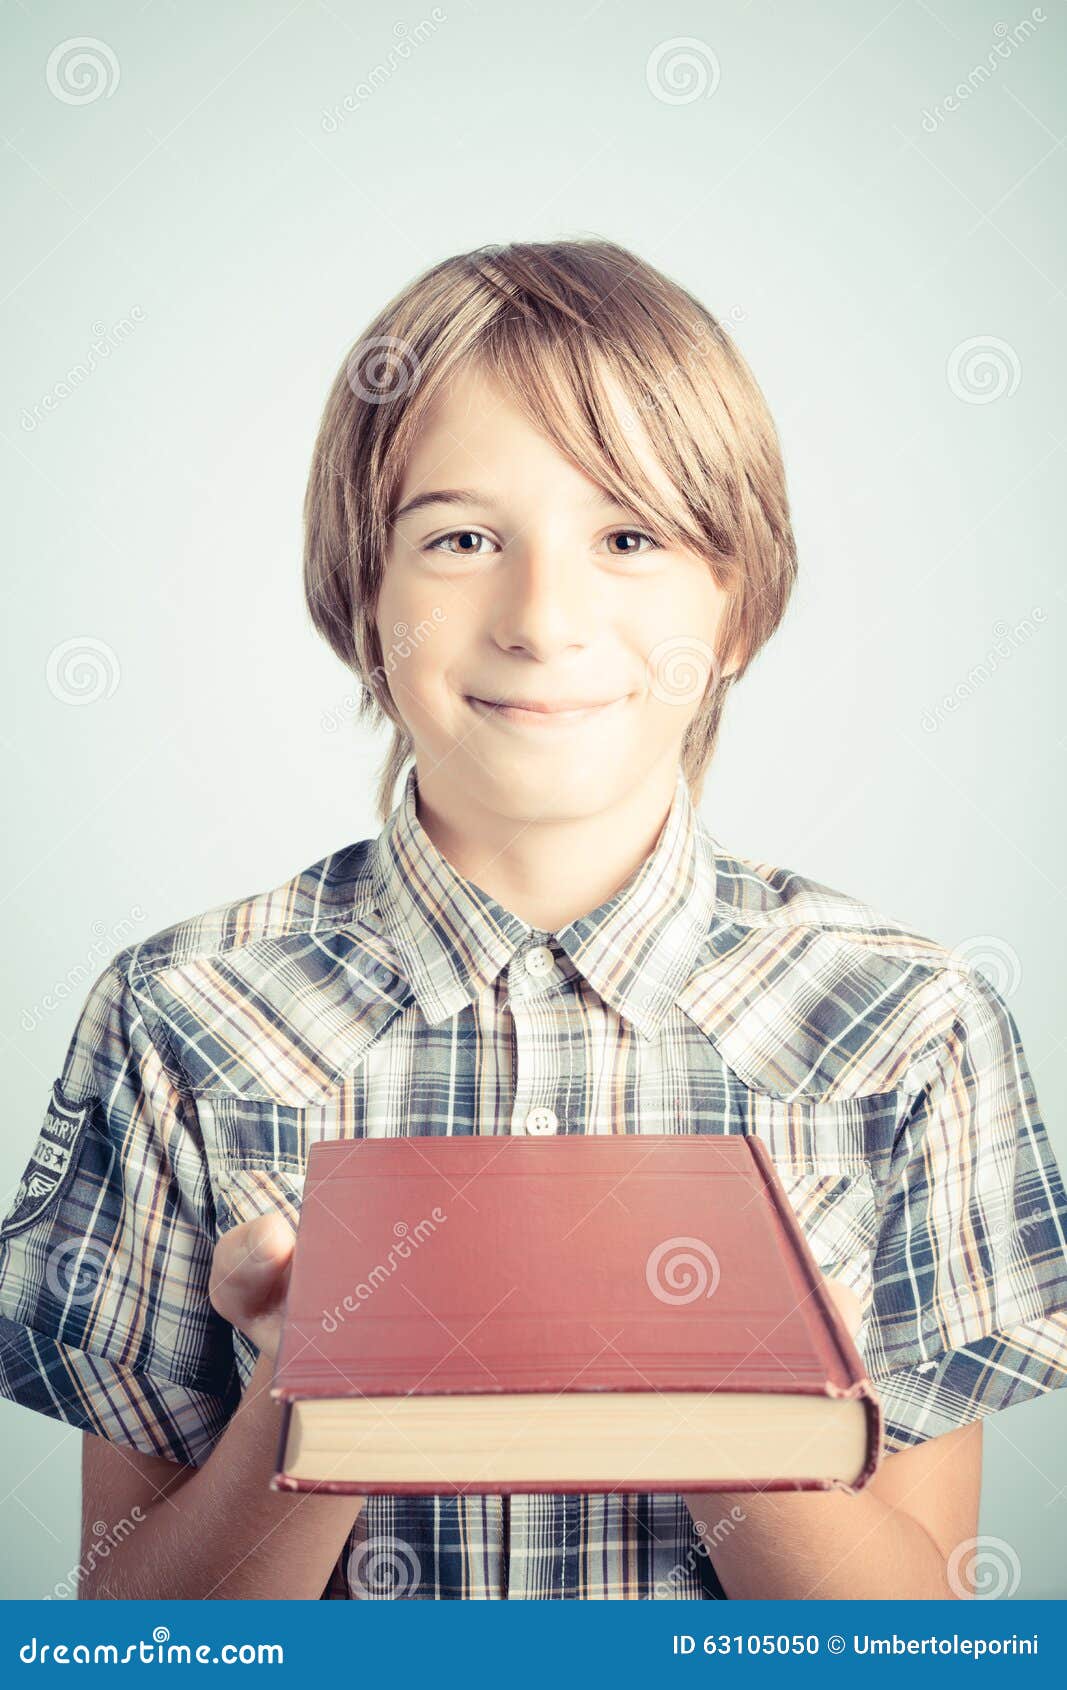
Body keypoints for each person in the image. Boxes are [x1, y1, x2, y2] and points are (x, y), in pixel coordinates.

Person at [2, 240, 1065, 1601]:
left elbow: (920, 1651)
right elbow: (135, 1646)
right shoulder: (179, 1015)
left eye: (630, 538)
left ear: (737, 608)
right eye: (461, 540)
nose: (544, 619)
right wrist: (315, 1377)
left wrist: (717, 1364)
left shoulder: (911, 1026)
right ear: (363, 600)